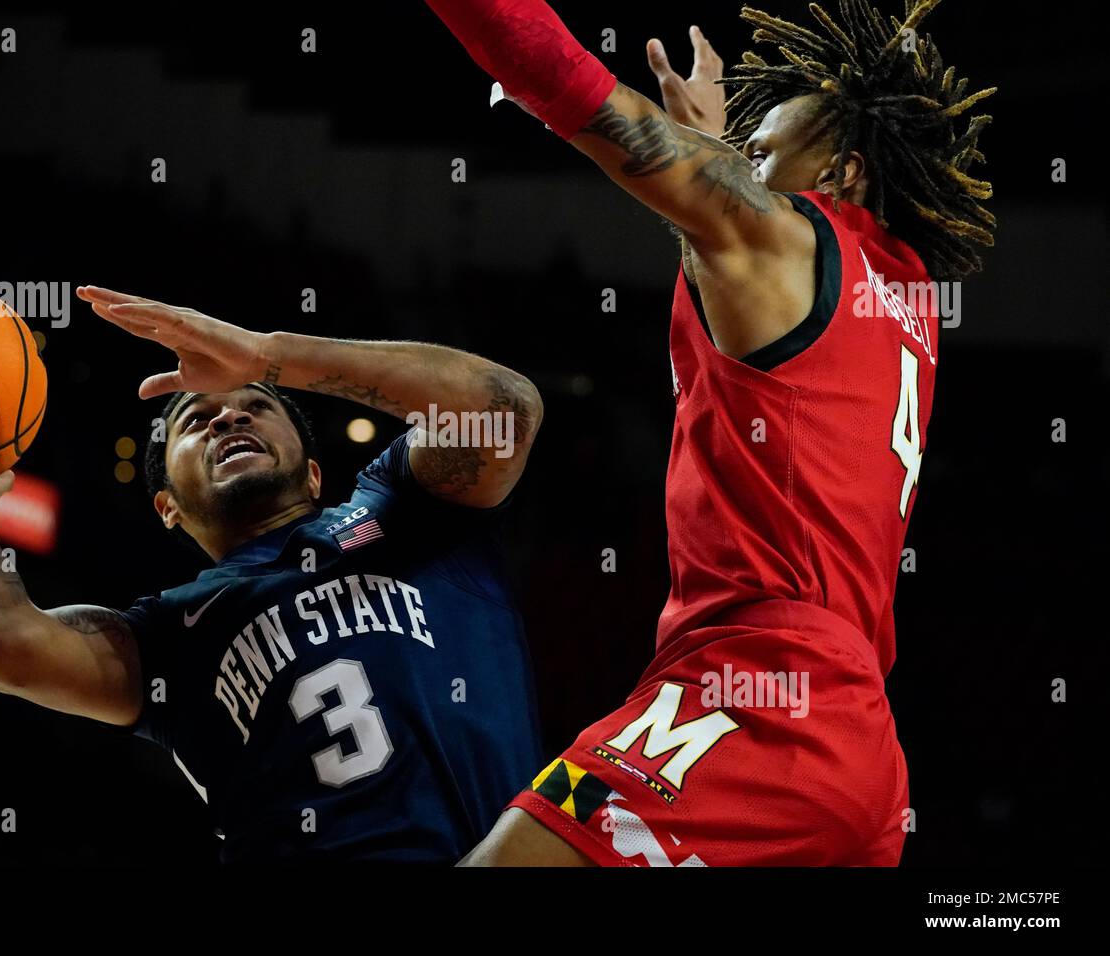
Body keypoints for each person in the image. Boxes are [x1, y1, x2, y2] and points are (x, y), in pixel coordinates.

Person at [421, 0, 996, 865]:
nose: (745, 170)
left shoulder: (787, 239)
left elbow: (570, 86)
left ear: (838, 172)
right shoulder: (902, 296)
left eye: (762, 152)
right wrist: (717, 170)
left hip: (753, 701)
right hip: (861, 748)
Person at [0, 284, 545, 863]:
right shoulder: (168, 635)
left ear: (312, 471)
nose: (227, 418)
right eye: (195, 420)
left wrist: (266, 356)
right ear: (167, 508)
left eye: (256, 406)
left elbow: (505, 411)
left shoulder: (405, 510)